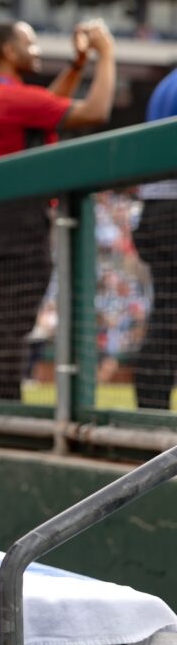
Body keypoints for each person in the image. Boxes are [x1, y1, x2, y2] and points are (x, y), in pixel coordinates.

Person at [0, 19, 115, 400]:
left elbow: (48, 106)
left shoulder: (1, 95)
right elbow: (95, 112)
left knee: (5, 313)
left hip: (5, 214)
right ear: (8, 51)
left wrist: (78, 64)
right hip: (21, 216)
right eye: (30, 44)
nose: (36, 51)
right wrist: (108, 54)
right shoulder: (8, 97)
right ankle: (4, 405)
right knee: (13, 318)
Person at [133, 67, 177, 410]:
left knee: (167, 311)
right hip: (171, 206)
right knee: (169, 315)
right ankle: (151, 407)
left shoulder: (166, 82)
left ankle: (151, 406)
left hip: (155, 207)